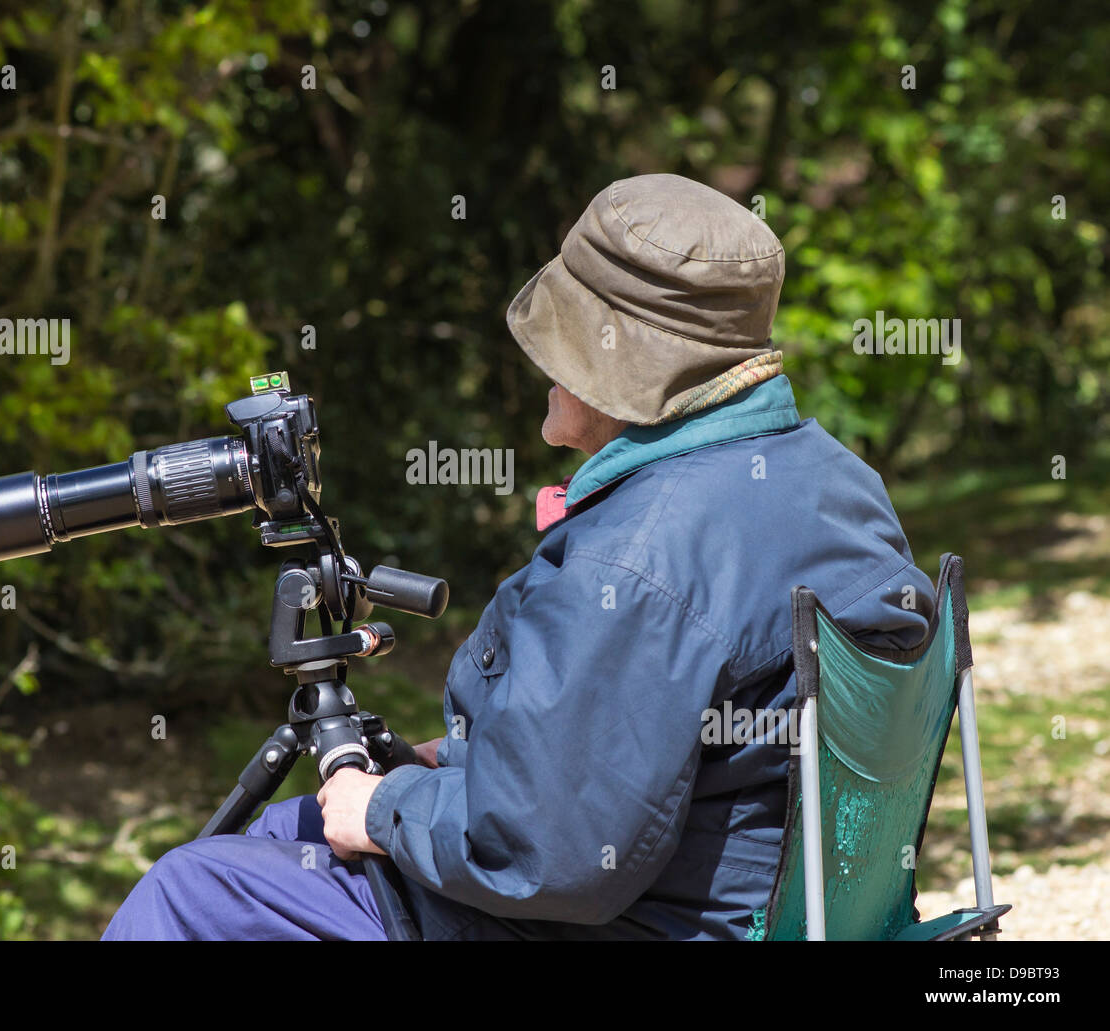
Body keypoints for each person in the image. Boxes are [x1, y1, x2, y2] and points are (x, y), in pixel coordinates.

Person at [102, 173, 934, 941]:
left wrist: (390, 804)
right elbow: (651, 738)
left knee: (193, 890)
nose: (541, 358)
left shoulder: (638, 560)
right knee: (292, 828)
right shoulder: (832, 477)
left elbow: (549, 853)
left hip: (615, 919)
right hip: (755, 899)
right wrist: (461, 762)